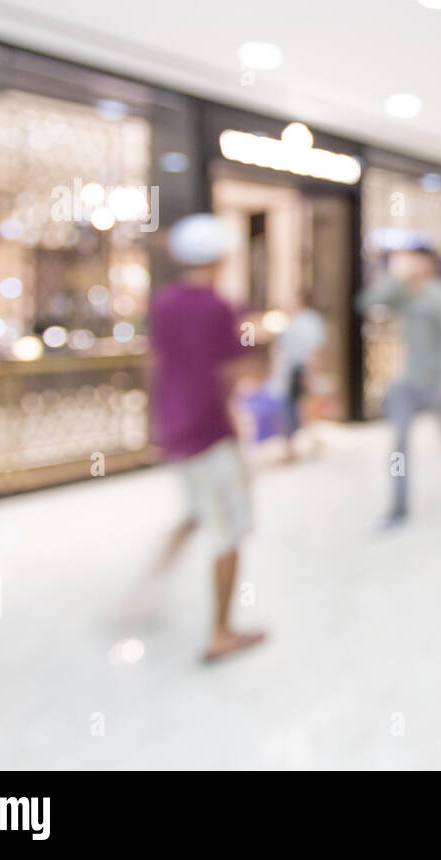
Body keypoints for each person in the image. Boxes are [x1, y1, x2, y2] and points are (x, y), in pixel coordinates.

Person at [147, 213, 266, 663]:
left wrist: (157, 423)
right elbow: (231, 373)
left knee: (198, 511)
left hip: (175, 429)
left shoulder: (163, 303)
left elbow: (154, 364)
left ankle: (148, 588)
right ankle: (221, 631)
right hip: (210, 434)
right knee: (227, 532)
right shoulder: (220, 307)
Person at [356, 242, 441, 527]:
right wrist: (396, 277)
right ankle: (398, 507)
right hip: (406, 382)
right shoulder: (402, 293)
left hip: (435, 382)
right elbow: (366, 303)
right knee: (399, 446)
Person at [267, 293, 327, 462]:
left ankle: (295, 446)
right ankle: (294, 446)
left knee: (298, 407)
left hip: (299, 370)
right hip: (286, 372)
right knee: (291, 408)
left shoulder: (308, 321)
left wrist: (311, 372)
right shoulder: (286, 321)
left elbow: (314, 349)